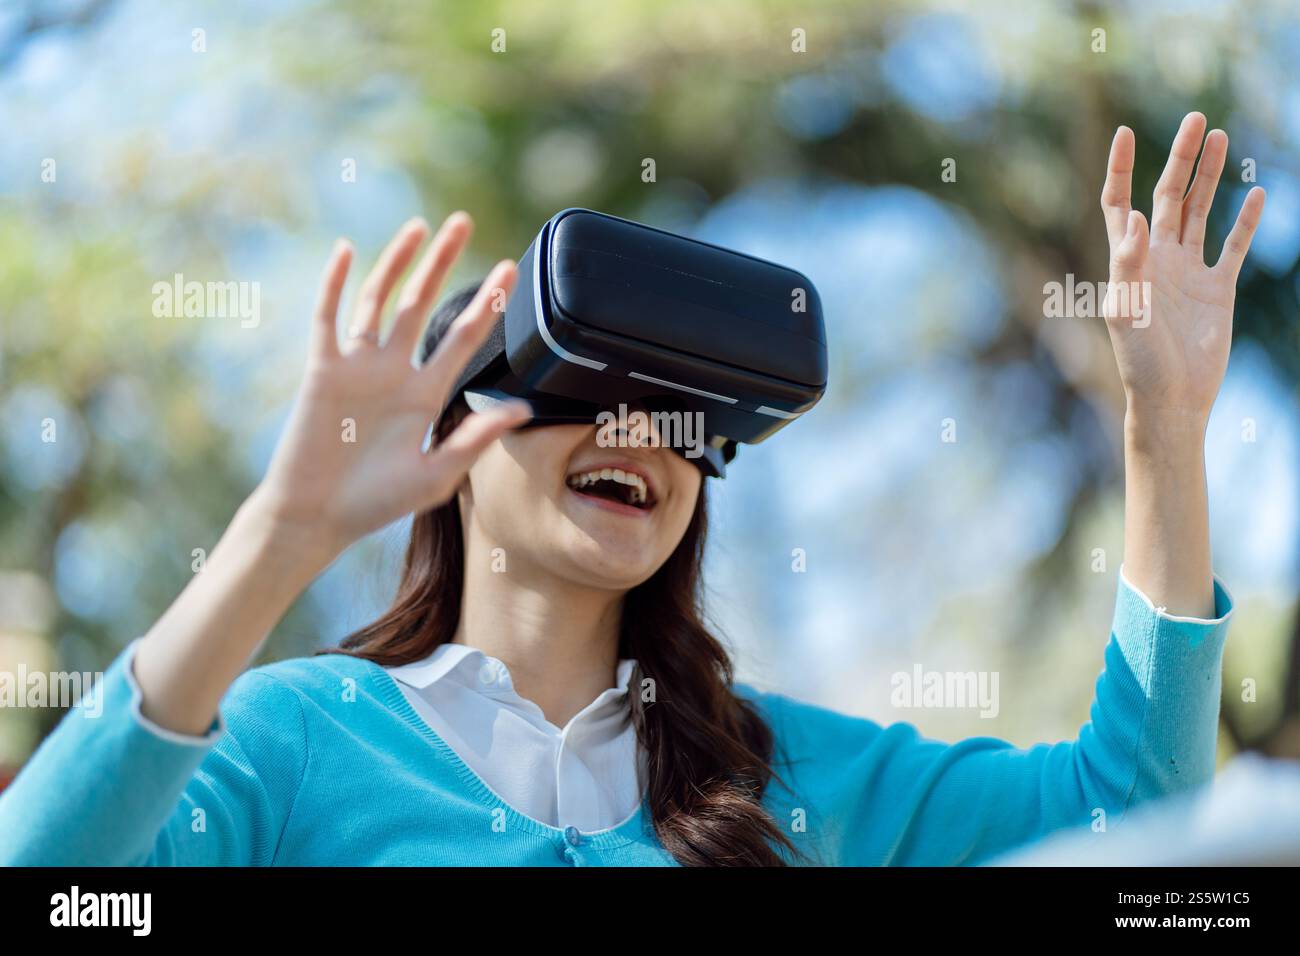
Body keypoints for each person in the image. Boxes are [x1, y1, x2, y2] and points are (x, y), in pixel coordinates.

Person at [0, 113, 1267, 866]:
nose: (642, 429)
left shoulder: (784, 777)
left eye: (685, 408)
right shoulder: (289, 740)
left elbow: (1131, 823)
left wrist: (1163, 429)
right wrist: (280, 535)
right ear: (451, 440)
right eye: (586, 381)